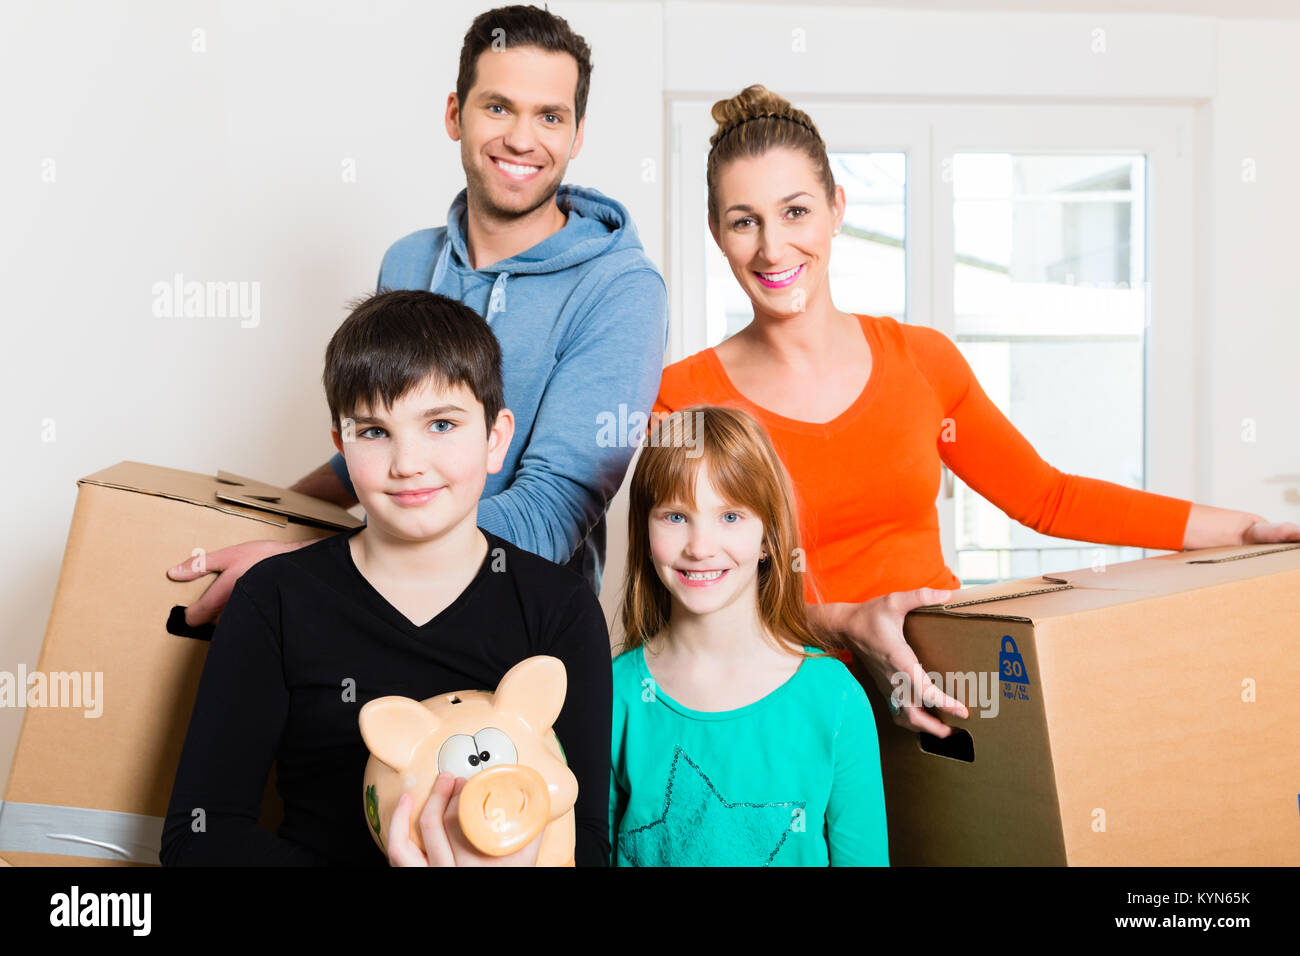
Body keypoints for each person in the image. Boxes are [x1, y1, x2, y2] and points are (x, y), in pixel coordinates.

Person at [653, 84, 1300, 740]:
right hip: (773, 715)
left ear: (836, 208)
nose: (772, 248)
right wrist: (844, 620)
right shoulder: (683, 397)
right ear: (717, 233)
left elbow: (1049, 498)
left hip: (939, 700)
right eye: (744, 221)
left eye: (795, 212)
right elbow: (689, 590)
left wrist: (1242, 530)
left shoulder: (921, 360)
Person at [166, 4, 668, 619]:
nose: (521, 137)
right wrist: (264, 514)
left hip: (515, 622)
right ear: (456, 114)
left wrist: (305, 560)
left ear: (577, 135)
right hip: (379, 603)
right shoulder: (408, 262)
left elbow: (550, 516)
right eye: (498, 107)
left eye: (550, 116)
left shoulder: (619, 286)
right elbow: (382, 450)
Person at [161, 290, 612, 866]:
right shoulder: (275, 599)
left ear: (496, 438)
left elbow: (589, 843)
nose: (407, 463)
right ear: (342, 448)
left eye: (442, 424)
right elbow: (198, 837)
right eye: (375, 432)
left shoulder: (558, 608)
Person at [609, 405, 888, 866]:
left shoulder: (835, 697)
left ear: (768, 539)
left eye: (731, 517)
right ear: (645, 530)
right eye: (675, 516)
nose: (700, 547)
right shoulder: (614, 693)